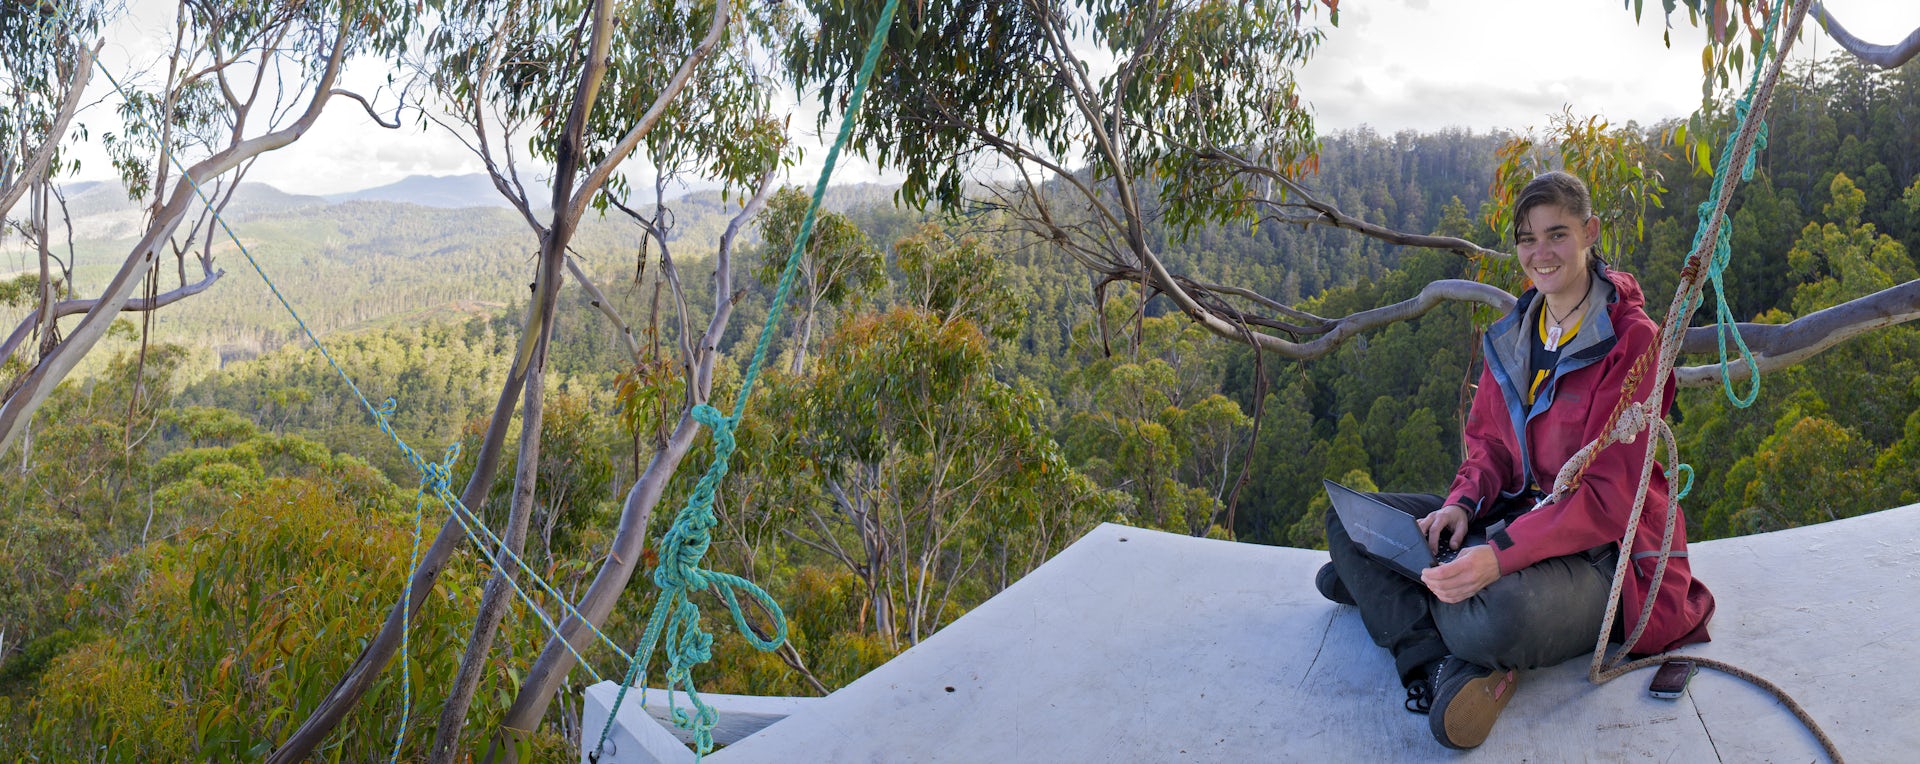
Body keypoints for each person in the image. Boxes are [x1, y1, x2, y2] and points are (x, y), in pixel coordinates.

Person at [1315, 171, 1716, 750]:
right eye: (1527, 239)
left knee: (1495, 616)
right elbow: (1490, 447)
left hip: (1604, 556)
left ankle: (1389, 593)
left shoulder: (1633, 343)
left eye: (1557, 234)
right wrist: (1460, 504)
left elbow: (1606, 500)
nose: (1541, 253)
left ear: (1591, 233)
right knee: (1348, 518)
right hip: (1512, 518)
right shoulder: (1516, 333)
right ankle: (1435, 660)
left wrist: (1496, 560)